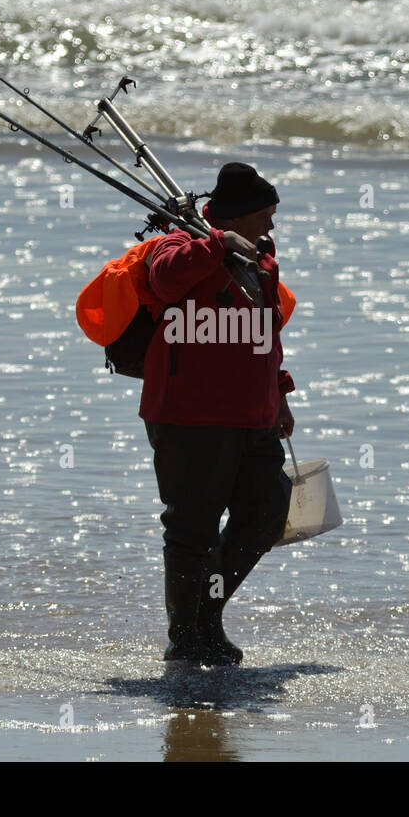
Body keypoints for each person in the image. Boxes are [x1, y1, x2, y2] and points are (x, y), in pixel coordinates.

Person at [140, 162, 295, 666]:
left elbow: (267, 338)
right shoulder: (177, 245)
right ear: (239, 217)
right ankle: (186, 638)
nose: (271, 227)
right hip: (188, 416)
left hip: (253, 415)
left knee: (268, 511)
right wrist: (216, 244)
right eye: (265, 217)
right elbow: (163, 282)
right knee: (191, 529)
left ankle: (205, 614)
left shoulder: (263, 262)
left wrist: (282, 395)